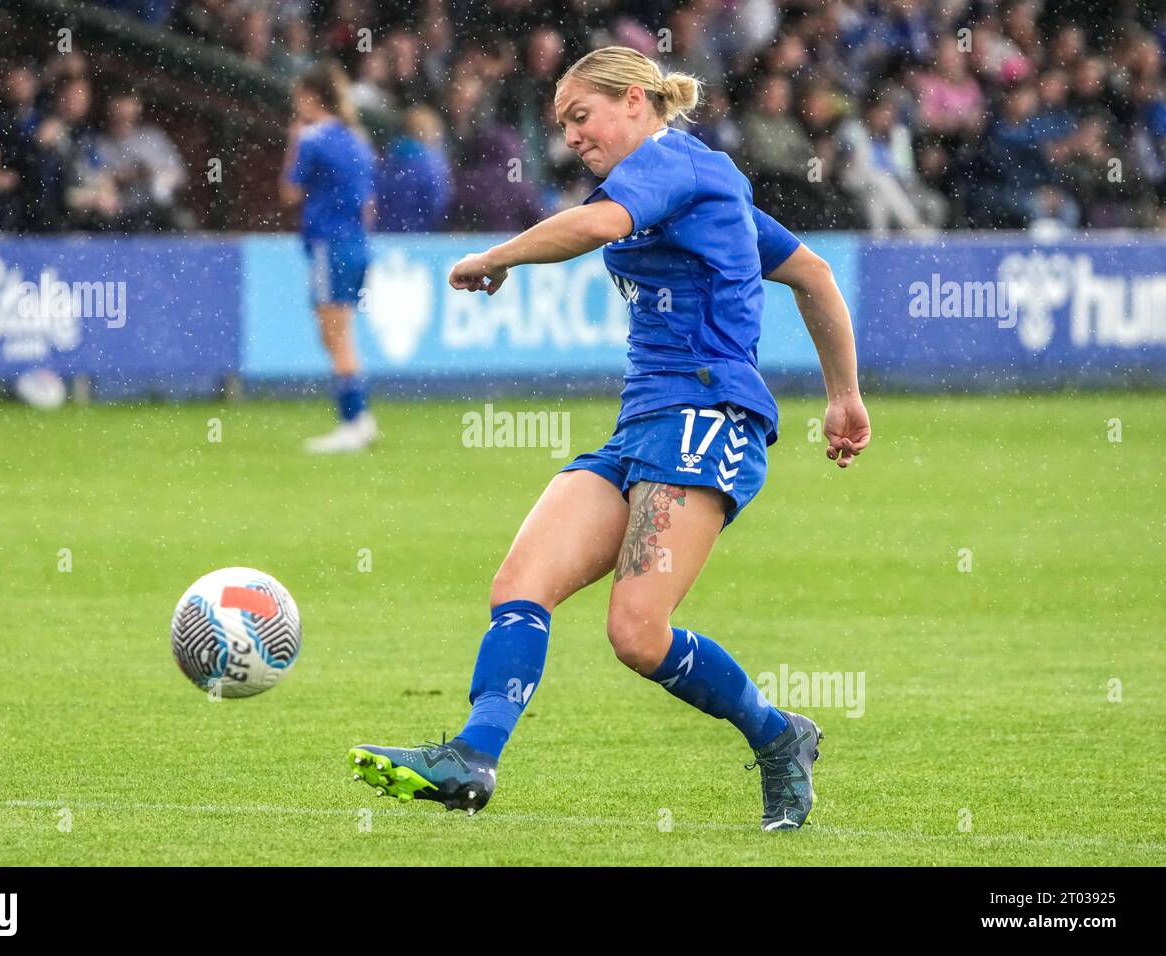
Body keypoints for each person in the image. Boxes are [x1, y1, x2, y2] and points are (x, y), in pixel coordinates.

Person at [347, 47, 871, 831]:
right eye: (562, 125)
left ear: (635, 101)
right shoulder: (704, 188)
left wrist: (497, 257)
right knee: (519, 585)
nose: (572, 138)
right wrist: (842, 397)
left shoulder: (674, 164)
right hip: (641, 429)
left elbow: (598, 224)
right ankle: (473, 755)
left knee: (635, 632)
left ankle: (777, 736)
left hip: (706, 418)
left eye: (581, 117)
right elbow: (814, 274)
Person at [279, 60, 378, 453]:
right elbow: (369, 202)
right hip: (356, 243)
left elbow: (289, 191)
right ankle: (361, 418)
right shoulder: (357, 138)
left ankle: (353, 422)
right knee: (339, 332)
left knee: (335, 336)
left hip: (328, 244)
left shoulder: (313, 138)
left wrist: (293, 141)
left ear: (309, 97)